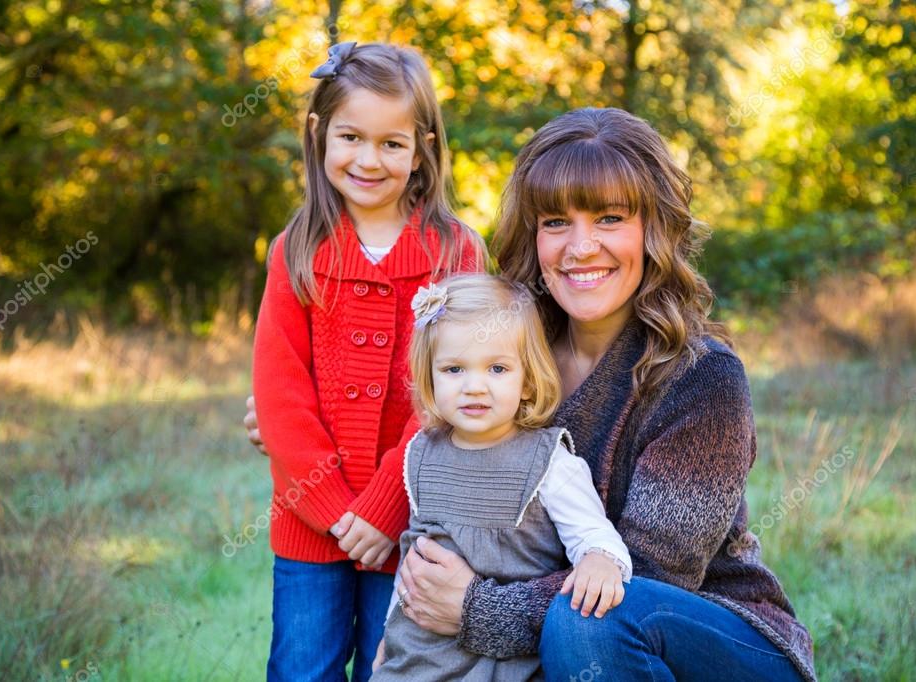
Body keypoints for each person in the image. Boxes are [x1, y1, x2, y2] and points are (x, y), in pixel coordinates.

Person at [246, 106, 817, 681]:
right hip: (558, 644)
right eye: (555, 222)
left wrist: (474, 607)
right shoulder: (505, 353)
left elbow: (643, 576)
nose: (580, 246)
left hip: (714, 643)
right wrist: (286, 420)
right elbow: (425, 408)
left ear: (655, 230)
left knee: (590, 619)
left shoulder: (701, 378)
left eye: (611, 218)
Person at [252, 41, 482, 682]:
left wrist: (384, 509)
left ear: (423, 148)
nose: (369, 159)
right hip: (309, 530)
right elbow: (280, 392)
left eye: (392, 143)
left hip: (413, 528)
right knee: (302, 668)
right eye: (352, 136)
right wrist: (331, 509)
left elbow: (446, 394)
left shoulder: (454, 253)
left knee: (398, 671)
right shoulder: (295, 250)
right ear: (320, 134)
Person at [370, 275, 633, 681]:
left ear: (527, 381)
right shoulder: (421, 453)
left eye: (497, 368)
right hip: (416, 660)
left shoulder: (549, 462)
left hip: (503, 663)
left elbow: (593, 536)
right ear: (430, 378)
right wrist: (389, 633)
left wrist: (600, 559)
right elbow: (415, 558)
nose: (475, 386)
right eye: (454, 369)